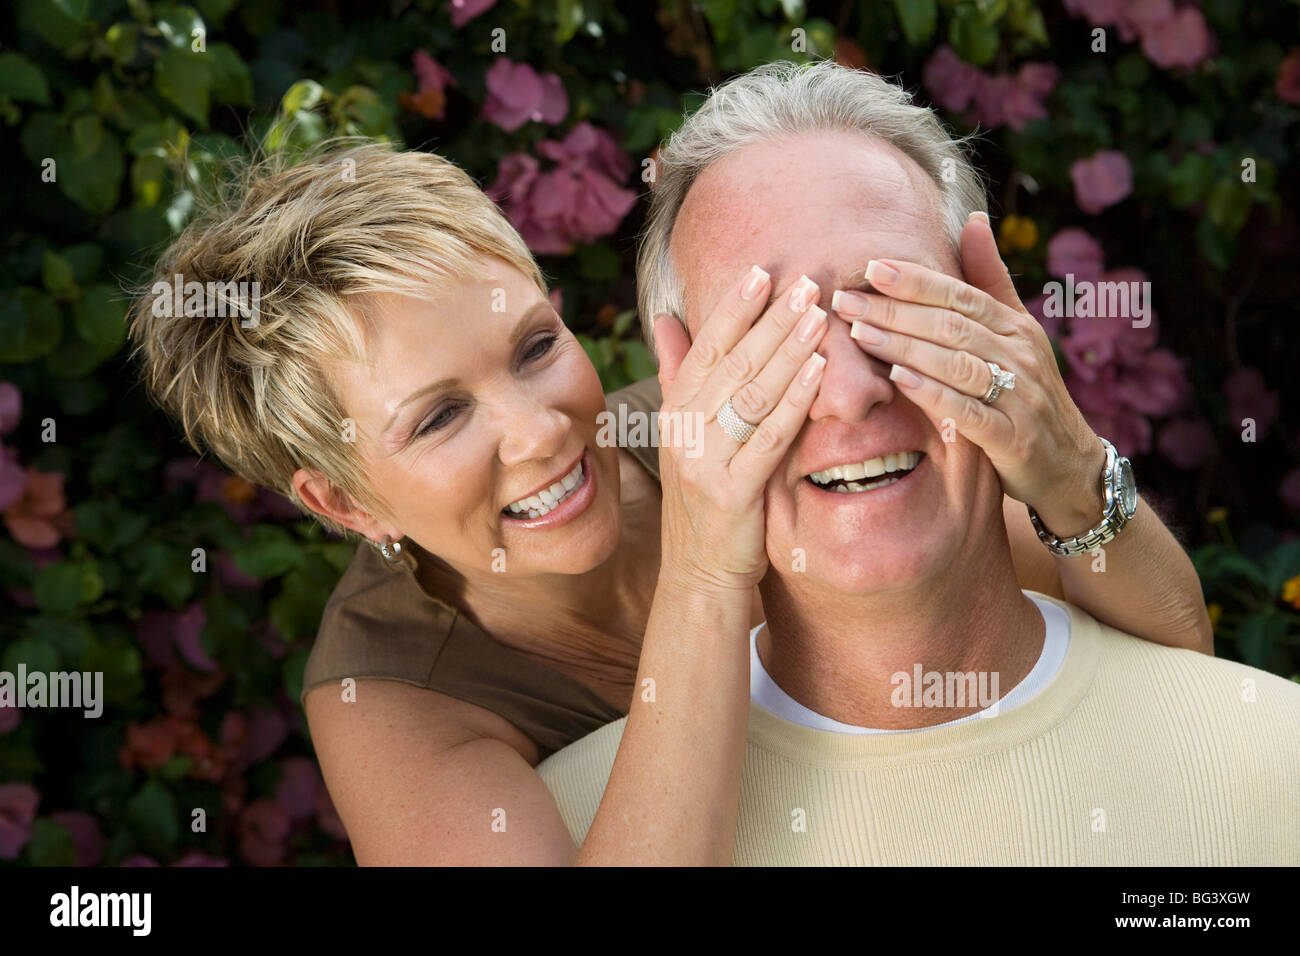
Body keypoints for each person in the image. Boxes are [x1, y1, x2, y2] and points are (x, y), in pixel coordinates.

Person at [128, 110, 1210, 863]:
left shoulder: (758, 421)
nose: (539, 428)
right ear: (343, 503)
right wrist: (707, 561)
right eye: (440, 415)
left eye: (535, 345)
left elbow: (1172, 667)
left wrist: (1068, 468)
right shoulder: (391, 694)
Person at [535, 61, 1300, 864]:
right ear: (680, 390)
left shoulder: (1272, 758)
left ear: (997, 322)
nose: (849, 394)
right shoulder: (569, 828)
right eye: (770, 338)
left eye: (890, 310)